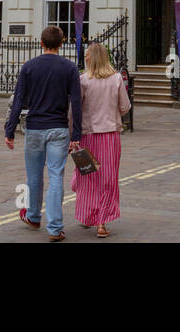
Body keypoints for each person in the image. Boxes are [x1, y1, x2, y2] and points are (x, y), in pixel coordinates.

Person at [3, 25, 82, 241]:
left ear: (41, 43)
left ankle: (34, 216)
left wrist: (10, 130)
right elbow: (76, 102)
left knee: (34, 176)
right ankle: (55, 227)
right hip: (58, 128)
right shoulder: (69, 68)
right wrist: (76, 134)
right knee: (56, 175)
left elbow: (19, 99)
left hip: (35, 127)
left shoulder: (29, 66)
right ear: (61, 44)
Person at [73, 42, 130, 238]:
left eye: (87, 55)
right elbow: (125, 106)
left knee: (88, 177)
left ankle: (90, 214)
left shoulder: (83, 80)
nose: (85, 57)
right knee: (108, 179)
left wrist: (73, 134)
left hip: (88, 135)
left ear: (93, 58)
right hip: (110, 136)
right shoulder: (116, 79)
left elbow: (76, 110)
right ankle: (102, 222)